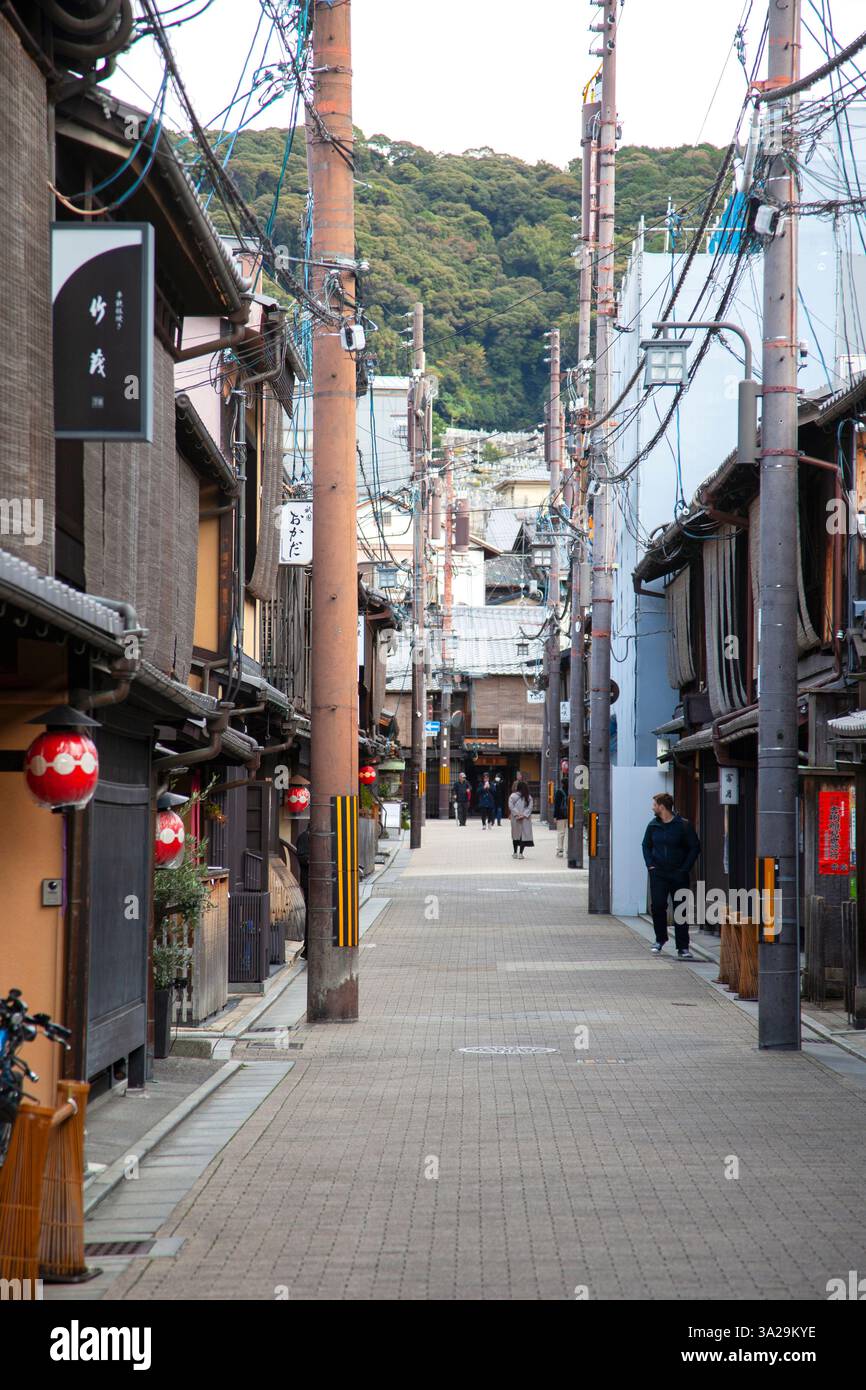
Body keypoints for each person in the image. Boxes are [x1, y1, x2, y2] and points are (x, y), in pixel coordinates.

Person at [641, 792, 701, 959]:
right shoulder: (653, 826)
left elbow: (695, 847)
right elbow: (646, 845)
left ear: (662, 806)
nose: (652, 807)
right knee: (658, 906)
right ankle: (660, 939)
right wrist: (650, 865)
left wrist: (685, 868)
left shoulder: (683, 825)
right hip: (658, 873)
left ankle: (683, 947)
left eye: (654, 804)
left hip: (678, 873)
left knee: (680, 909)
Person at [508, 779, 534, 858]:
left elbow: (511, 806)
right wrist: (523, 815)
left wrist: (517, 814)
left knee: (515, 835)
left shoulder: (512, 796)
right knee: (523, 835)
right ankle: (521, 854)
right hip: (525, 819)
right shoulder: (528, 797)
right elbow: (530, 808)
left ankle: (515, 852)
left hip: (515, 819)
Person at [553, 782, 568, 857]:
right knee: (568, 834)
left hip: (560, 815)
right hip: (570, 816)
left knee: (561, 833)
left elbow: (556, 805)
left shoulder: (559, 792)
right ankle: (568, 850)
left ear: (562, 784)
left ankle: (560, 851)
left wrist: (555, 816)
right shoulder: (572, 792)